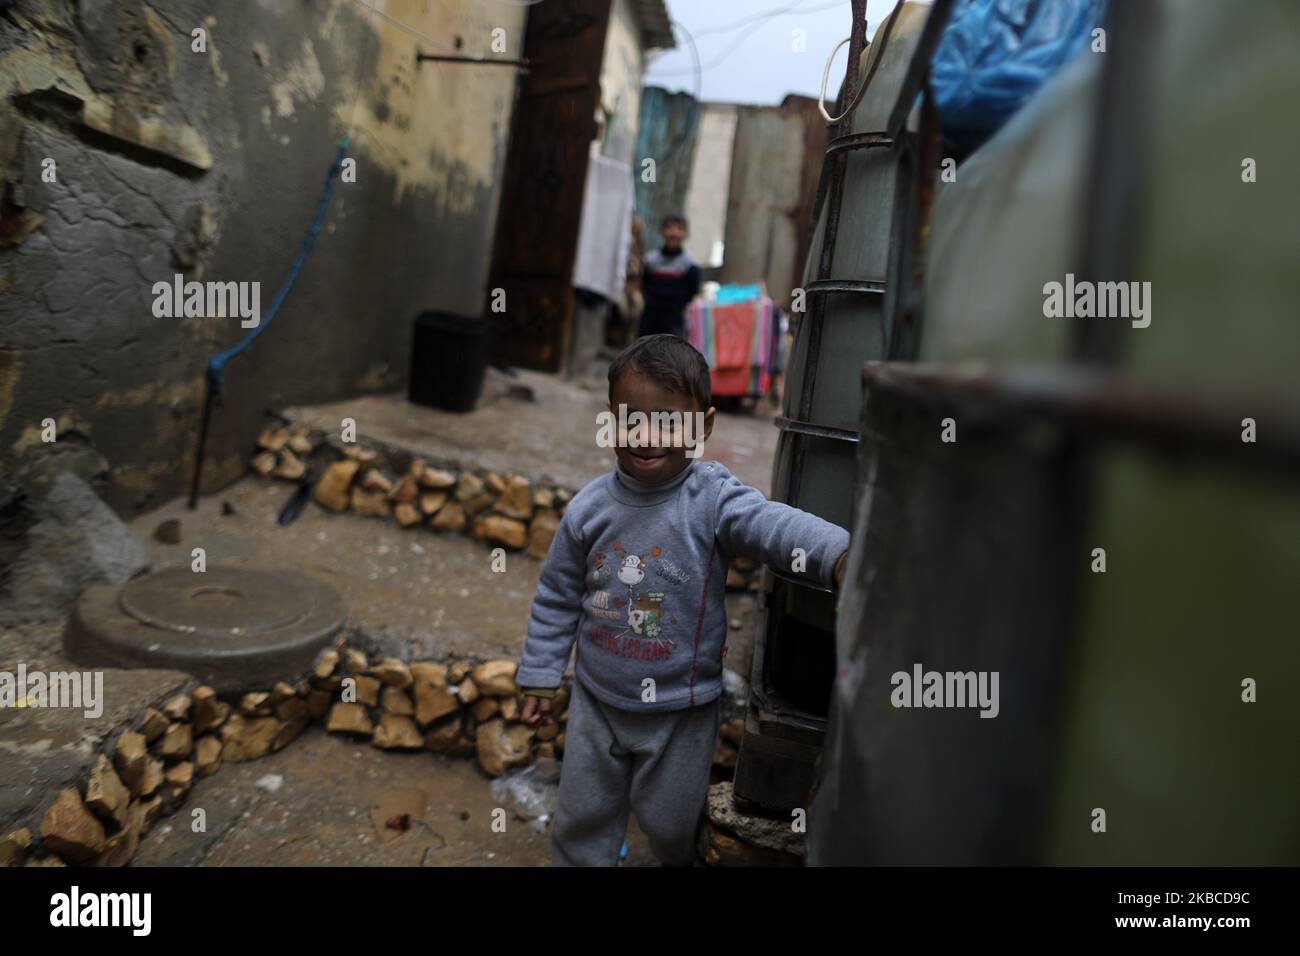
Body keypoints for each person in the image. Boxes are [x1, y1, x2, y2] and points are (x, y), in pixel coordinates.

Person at [516, 334, 850, 866]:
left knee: (670, 823)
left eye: (669, 420)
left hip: (680, 710)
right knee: (581, 817)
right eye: (630, 418)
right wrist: (539, 671)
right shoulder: (588, 509)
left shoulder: (712, 499)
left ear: (705, 425)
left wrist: (838, 555)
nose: (647, 434)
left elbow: (772, 526)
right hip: (596, 700)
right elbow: (557, 596)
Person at [636, 214, 700, 339]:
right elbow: (644, 285)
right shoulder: (651, 259)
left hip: (675, 319)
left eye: (679, 229)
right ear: (661, 231)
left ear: (686, 234)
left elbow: (693, 292)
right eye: (669, 227)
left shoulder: (689, 264)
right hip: (650, 317)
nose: (674, 233)